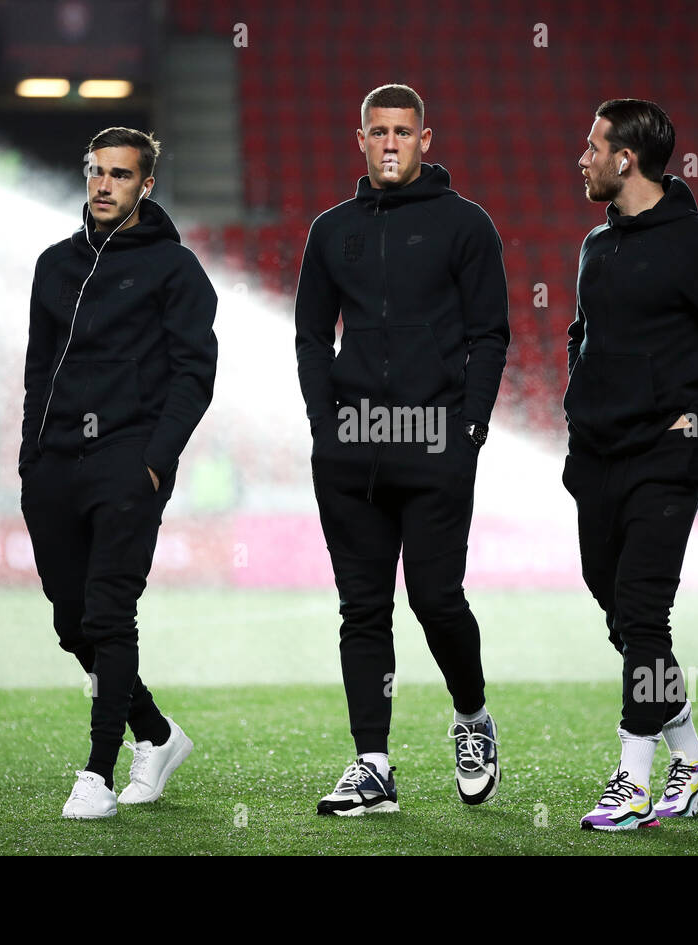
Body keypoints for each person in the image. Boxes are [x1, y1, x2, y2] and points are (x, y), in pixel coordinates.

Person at [565, 99, 698, 830]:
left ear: (626, 159)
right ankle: (691, 760)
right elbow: (583, 336)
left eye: (594, 146)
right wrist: (579, 409)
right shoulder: (597, 246)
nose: (584, 158)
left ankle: (631, 784)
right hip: (595, 461)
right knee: (621, 615)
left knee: (643, 612)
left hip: (664, 461)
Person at [295, 84, 510, 815]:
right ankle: (373, 765)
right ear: (360, 139)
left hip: (436, 445)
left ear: (426, 139)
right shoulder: (330, 231)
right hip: (351, 451)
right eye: (378, 131)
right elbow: (310, 336)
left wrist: (470, 429)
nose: (391, 142)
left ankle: (473, 718)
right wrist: (325, 428)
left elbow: (490, 335)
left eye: (404, 131)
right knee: (362, 609)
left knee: (436, 598)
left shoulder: (466, 226)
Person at [19, 127, 218, 819]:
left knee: (109, 612)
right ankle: (157, 734)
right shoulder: (52, 266)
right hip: (53, 469)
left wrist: (155, 461)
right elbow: (38, 371)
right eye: (97, 172)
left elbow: (196, 375)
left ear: (146, 185)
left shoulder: (176, 270)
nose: (105, 185)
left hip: (127, 463)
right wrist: (29, 459)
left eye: (121, 176)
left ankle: (97, 775)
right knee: (73, 623)